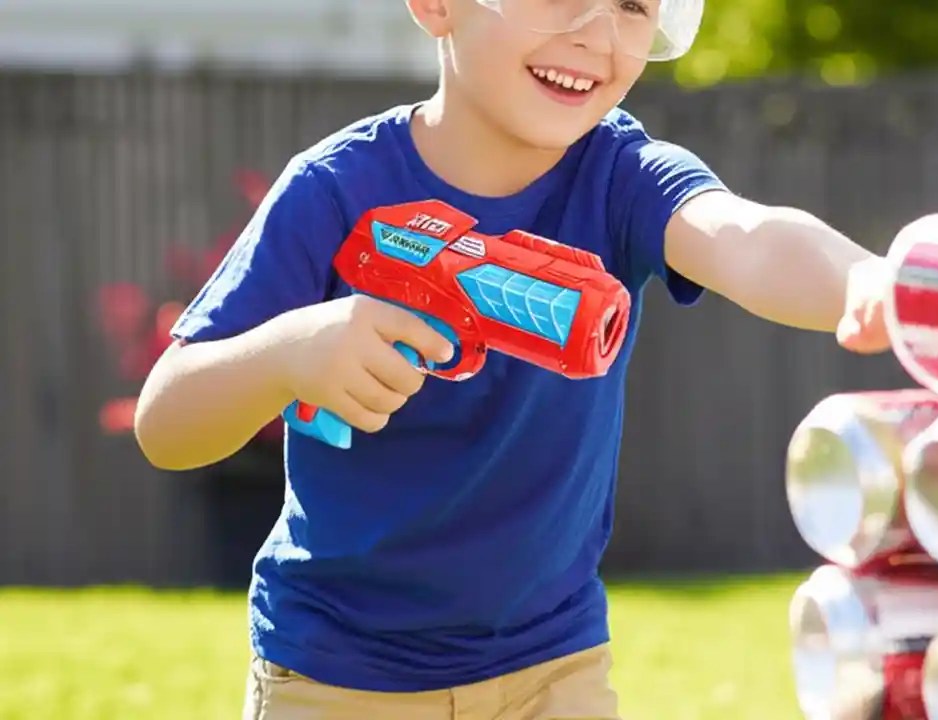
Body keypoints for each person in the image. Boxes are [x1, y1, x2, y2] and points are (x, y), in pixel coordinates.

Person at [133, 0, 892, 717]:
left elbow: (746, 238)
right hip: (339, 677)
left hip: (554, 669)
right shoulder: (334, 190)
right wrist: (288, 355)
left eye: (633, 5)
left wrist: (869, 280)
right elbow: (166, 423)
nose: (597, 33)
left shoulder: (621, 176)